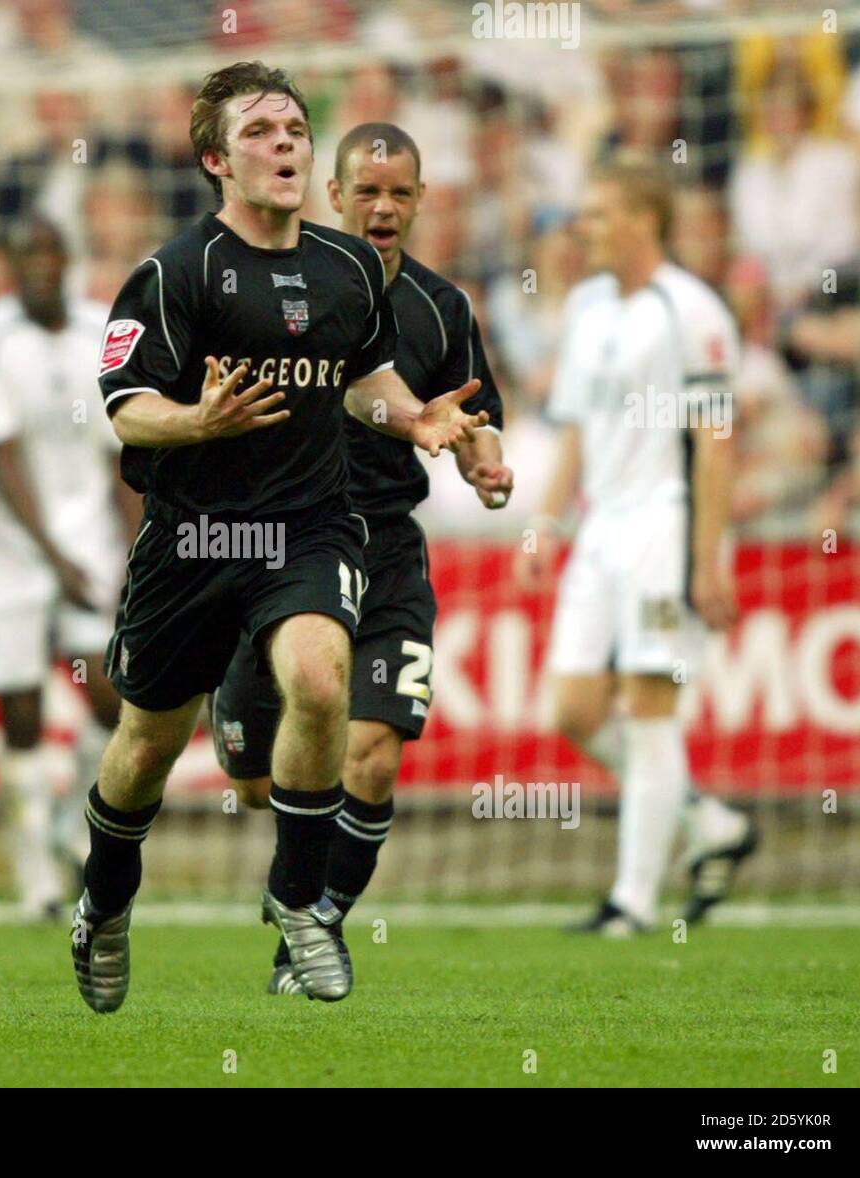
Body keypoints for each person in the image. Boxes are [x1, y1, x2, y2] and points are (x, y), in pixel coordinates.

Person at [74, 62, 488, 1012]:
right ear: (218, 160)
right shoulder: (175, 274)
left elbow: (363, 378)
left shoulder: (345, 271)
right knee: (145, 746)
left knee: (319, 678)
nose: (288, 144)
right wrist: (199, 424)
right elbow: (130, 413)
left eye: (297, 129)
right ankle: (103, 904)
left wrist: (415, 421)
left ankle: (299, 902)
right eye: (261, 132)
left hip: (308, 528)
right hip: (194, 541)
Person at [212, 122, 511, 994]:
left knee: (372, 753)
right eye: (367, 191)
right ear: (334, 196)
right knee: (259, 778)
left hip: (384, 550)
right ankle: (301, 881)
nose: (384, 207)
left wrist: (482, 458)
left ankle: (305, 938)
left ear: (419, 202)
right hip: (281, 547)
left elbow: (472, 411)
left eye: (401, 193)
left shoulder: (443, 308)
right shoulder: (275, 288)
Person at [515, 160, 757, 935]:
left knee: (652, 708)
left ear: (642, 220)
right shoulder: (587, 305)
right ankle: (709, 823)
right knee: (573, 709)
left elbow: (716, 442)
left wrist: (708, 556)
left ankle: (633, 903)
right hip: (599, 528)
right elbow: (578, 430)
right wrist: (546, 524)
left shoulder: (693, 310)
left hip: (664, 523)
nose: (581, 229)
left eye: (596, 214)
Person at [0, 219, 139, 920]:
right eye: (24, 253)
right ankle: (35, 877)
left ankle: (67, 826)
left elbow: (125, 452)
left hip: (88, 543)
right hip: (5, 547)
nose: (38, 265)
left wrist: (132, 551)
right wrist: (51, 558)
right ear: (12, 265)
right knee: (21, 711)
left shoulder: (105, 332)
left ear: (65, 260)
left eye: (48, 252)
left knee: (111, 701)